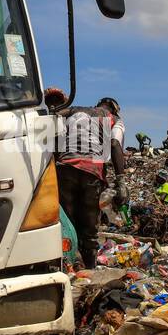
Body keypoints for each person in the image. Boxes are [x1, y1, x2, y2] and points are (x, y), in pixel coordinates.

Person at [53, 92, 125, 267]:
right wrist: (120, 181)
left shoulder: (72, 111)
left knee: (67, 224)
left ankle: (68, 267)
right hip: (91, 172)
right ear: (115, 110)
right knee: (89, 228)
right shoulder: (113, 118)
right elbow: (115, 144)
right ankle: (90, 270)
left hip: (65, 169)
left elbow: (53, 129)